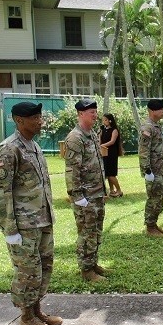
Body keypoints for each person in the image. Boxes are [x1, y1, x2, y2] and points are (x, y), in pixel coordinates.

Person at [0, 101, 61, 325]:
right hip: (24, 224)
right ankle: (26, 318)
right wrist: (9, 229)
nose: (39, 120)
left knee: (43, 269)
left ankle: (37, 310)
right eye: (34, 117)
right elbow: (1, 191)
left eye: (40, 116)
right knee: (27, 272)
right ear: (19, 121)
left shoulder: (34, 146)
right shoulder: (10, 149)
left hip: (42, 219)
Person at [64, 98, 109, 282]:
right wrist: (77, 196)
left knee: (96, 231)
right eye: (92, 113)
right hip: (85, 196)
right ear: (81, 114)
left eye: (96, 112)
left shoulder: (91, 134)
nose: (95, 116)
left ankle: (93, 263)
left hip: (96, 193)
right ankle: (86, 270)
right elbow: (72, 169)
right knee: (86, 233)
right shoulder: (75, 138)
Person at [139, 98, 163, 237]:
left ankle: (154, 224)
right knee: (154, 199)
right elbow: (144, 151)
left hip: (161, 169)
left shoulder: (156, 125)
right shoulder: (147, 127)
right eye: (160, 109)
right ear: (152, 111)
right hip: (153, 171)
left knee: (160, 199)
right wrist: (147, 171)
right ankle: (150, 227)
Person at [100, 113, 124, 198]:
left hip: (112, 153)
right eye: (103, 120)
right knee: (107, 173)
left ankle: (119, 190)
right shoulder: (103, 130)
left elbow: (112, 141)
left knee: (111, 174)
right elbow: (100, 139)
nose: (104, 122)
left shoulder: (114, 130)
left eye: (105, 120)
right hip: (104, 153)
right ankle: (111, 190)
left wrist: (102, 145)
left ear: (110, 120)